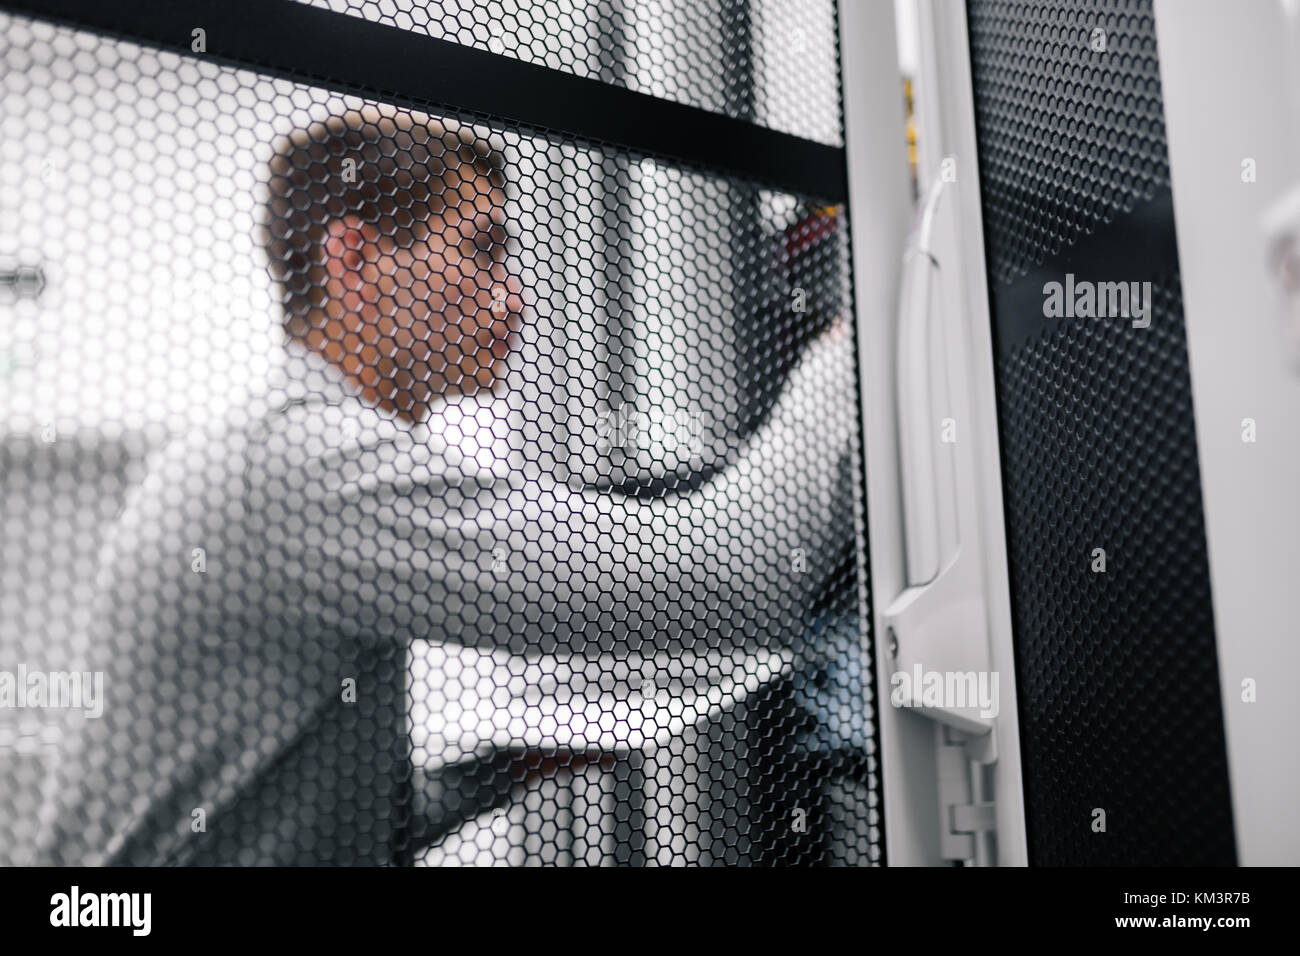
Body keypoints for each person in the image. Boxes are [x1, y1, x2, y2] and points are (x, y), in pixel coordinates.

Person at [34, 104, 856, 865]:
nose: (521, 301)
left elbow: (340, 826)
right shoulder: (301, 463)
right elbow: (746, 577)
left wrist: (508, 766)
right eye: (484, 248)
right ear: (353, 259)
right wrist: (852, 343)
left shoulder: (284, 451)